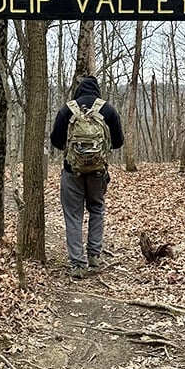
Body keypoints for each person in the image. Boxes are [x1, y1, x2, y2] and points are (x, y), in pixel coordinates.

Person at [50, 75, 124, 278]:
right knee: (97, 209)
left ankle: (77, 264)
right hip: (98, 173)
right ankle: (94, 256)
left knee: (73, 216)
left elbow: (56, 140)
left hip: (72, 172)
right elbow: (118, 142)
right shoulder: (107, 109)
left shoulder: (68, 109)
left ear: (79, 90)